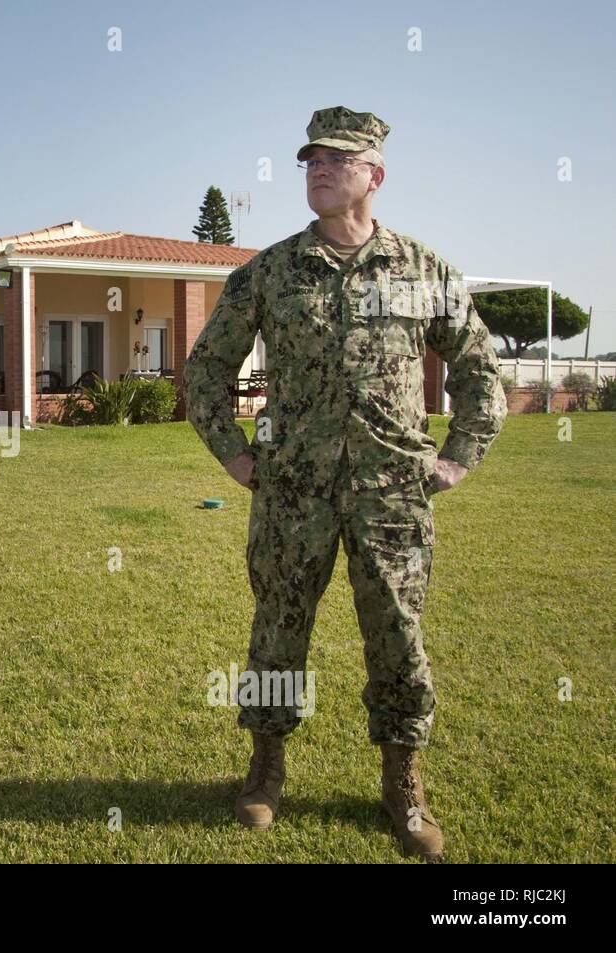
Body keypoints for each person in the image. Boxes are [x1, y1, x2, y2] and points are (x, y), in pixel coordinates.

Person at [185, 106, 507, 861]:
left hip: (390, 493)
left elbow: (479, 368)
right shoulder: (270, 271)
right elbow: (205, 368)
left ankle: (403, 782)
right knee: (277, 633)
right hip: (291, 493)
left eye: (336, 158)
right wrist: (235, 455)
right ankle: (266, 767)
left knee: (397, 636)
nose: (318, 169)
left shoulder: (421, 269)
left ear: (375, 174)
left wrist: (456, 456)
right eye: (310, 159)